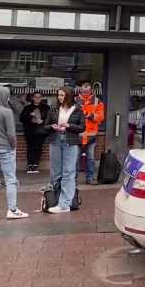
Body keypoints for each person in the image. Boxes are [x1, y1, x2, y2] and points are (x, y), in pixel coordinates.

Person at [0, 86, 28, 220]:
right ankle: (12, 209)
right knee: (10, 180)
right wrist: (13, 146)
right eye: (7, 95)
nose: (8, 98)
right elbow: (11, 134)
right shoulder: (7, 112)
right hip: (4, 149)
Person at [44, 86, 85, 214]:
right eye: (59, 95)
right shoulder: (54, 109)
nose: (59, 97)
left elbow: (82, 127)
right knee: (55, 172)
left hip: (70, 142)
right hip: (55, 140)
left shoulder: (77, 110)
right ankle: (55, 200)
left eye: (62, 95)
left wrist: (69, 125)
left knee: (68, 172)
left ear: (68, 96)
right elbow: (45, 125)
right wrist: (52, 126)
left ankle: (65, 204)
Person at [77, 81, 105, 185]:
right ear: (81, 90)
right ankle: (73, 180)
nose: (85, 93)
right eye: (83, 92)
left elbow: (101, 117)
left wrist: (90, 116)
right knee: (74, 159)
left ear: (91, 91)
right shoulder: (75, 101)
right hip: (78, 135)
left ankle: (90, 178)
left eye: (87, 91)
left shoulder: (98, 101)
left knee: (91, 159)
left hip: (91, 136)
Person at [20, 92, 50, 174]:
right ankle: (30, 165)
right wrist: (30, 115)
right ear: (33, 98)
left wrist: (42, 121)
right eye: (36, 97)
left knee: (38, 148)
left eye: (39, 97)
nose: (37, 99)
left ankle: (36, 164)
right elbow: (21, 118)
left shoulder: (46, 108)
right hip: (30, 131)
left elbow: (50, 119)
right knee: (30, 147)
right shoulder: (27, 108)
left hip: (41, 131)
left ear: (41, 98)